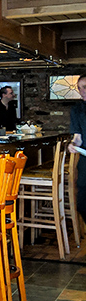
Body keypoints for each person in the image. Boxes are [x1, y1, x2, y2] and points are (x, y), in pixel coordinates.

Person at [68, 73, 86, 223]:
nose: (82, 91)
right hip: (85, 160)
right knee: (82, 204)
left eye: (85, 87)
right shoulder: (77, 110)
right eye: (80, 88)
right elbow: (77, 138)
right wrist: (73, 145)